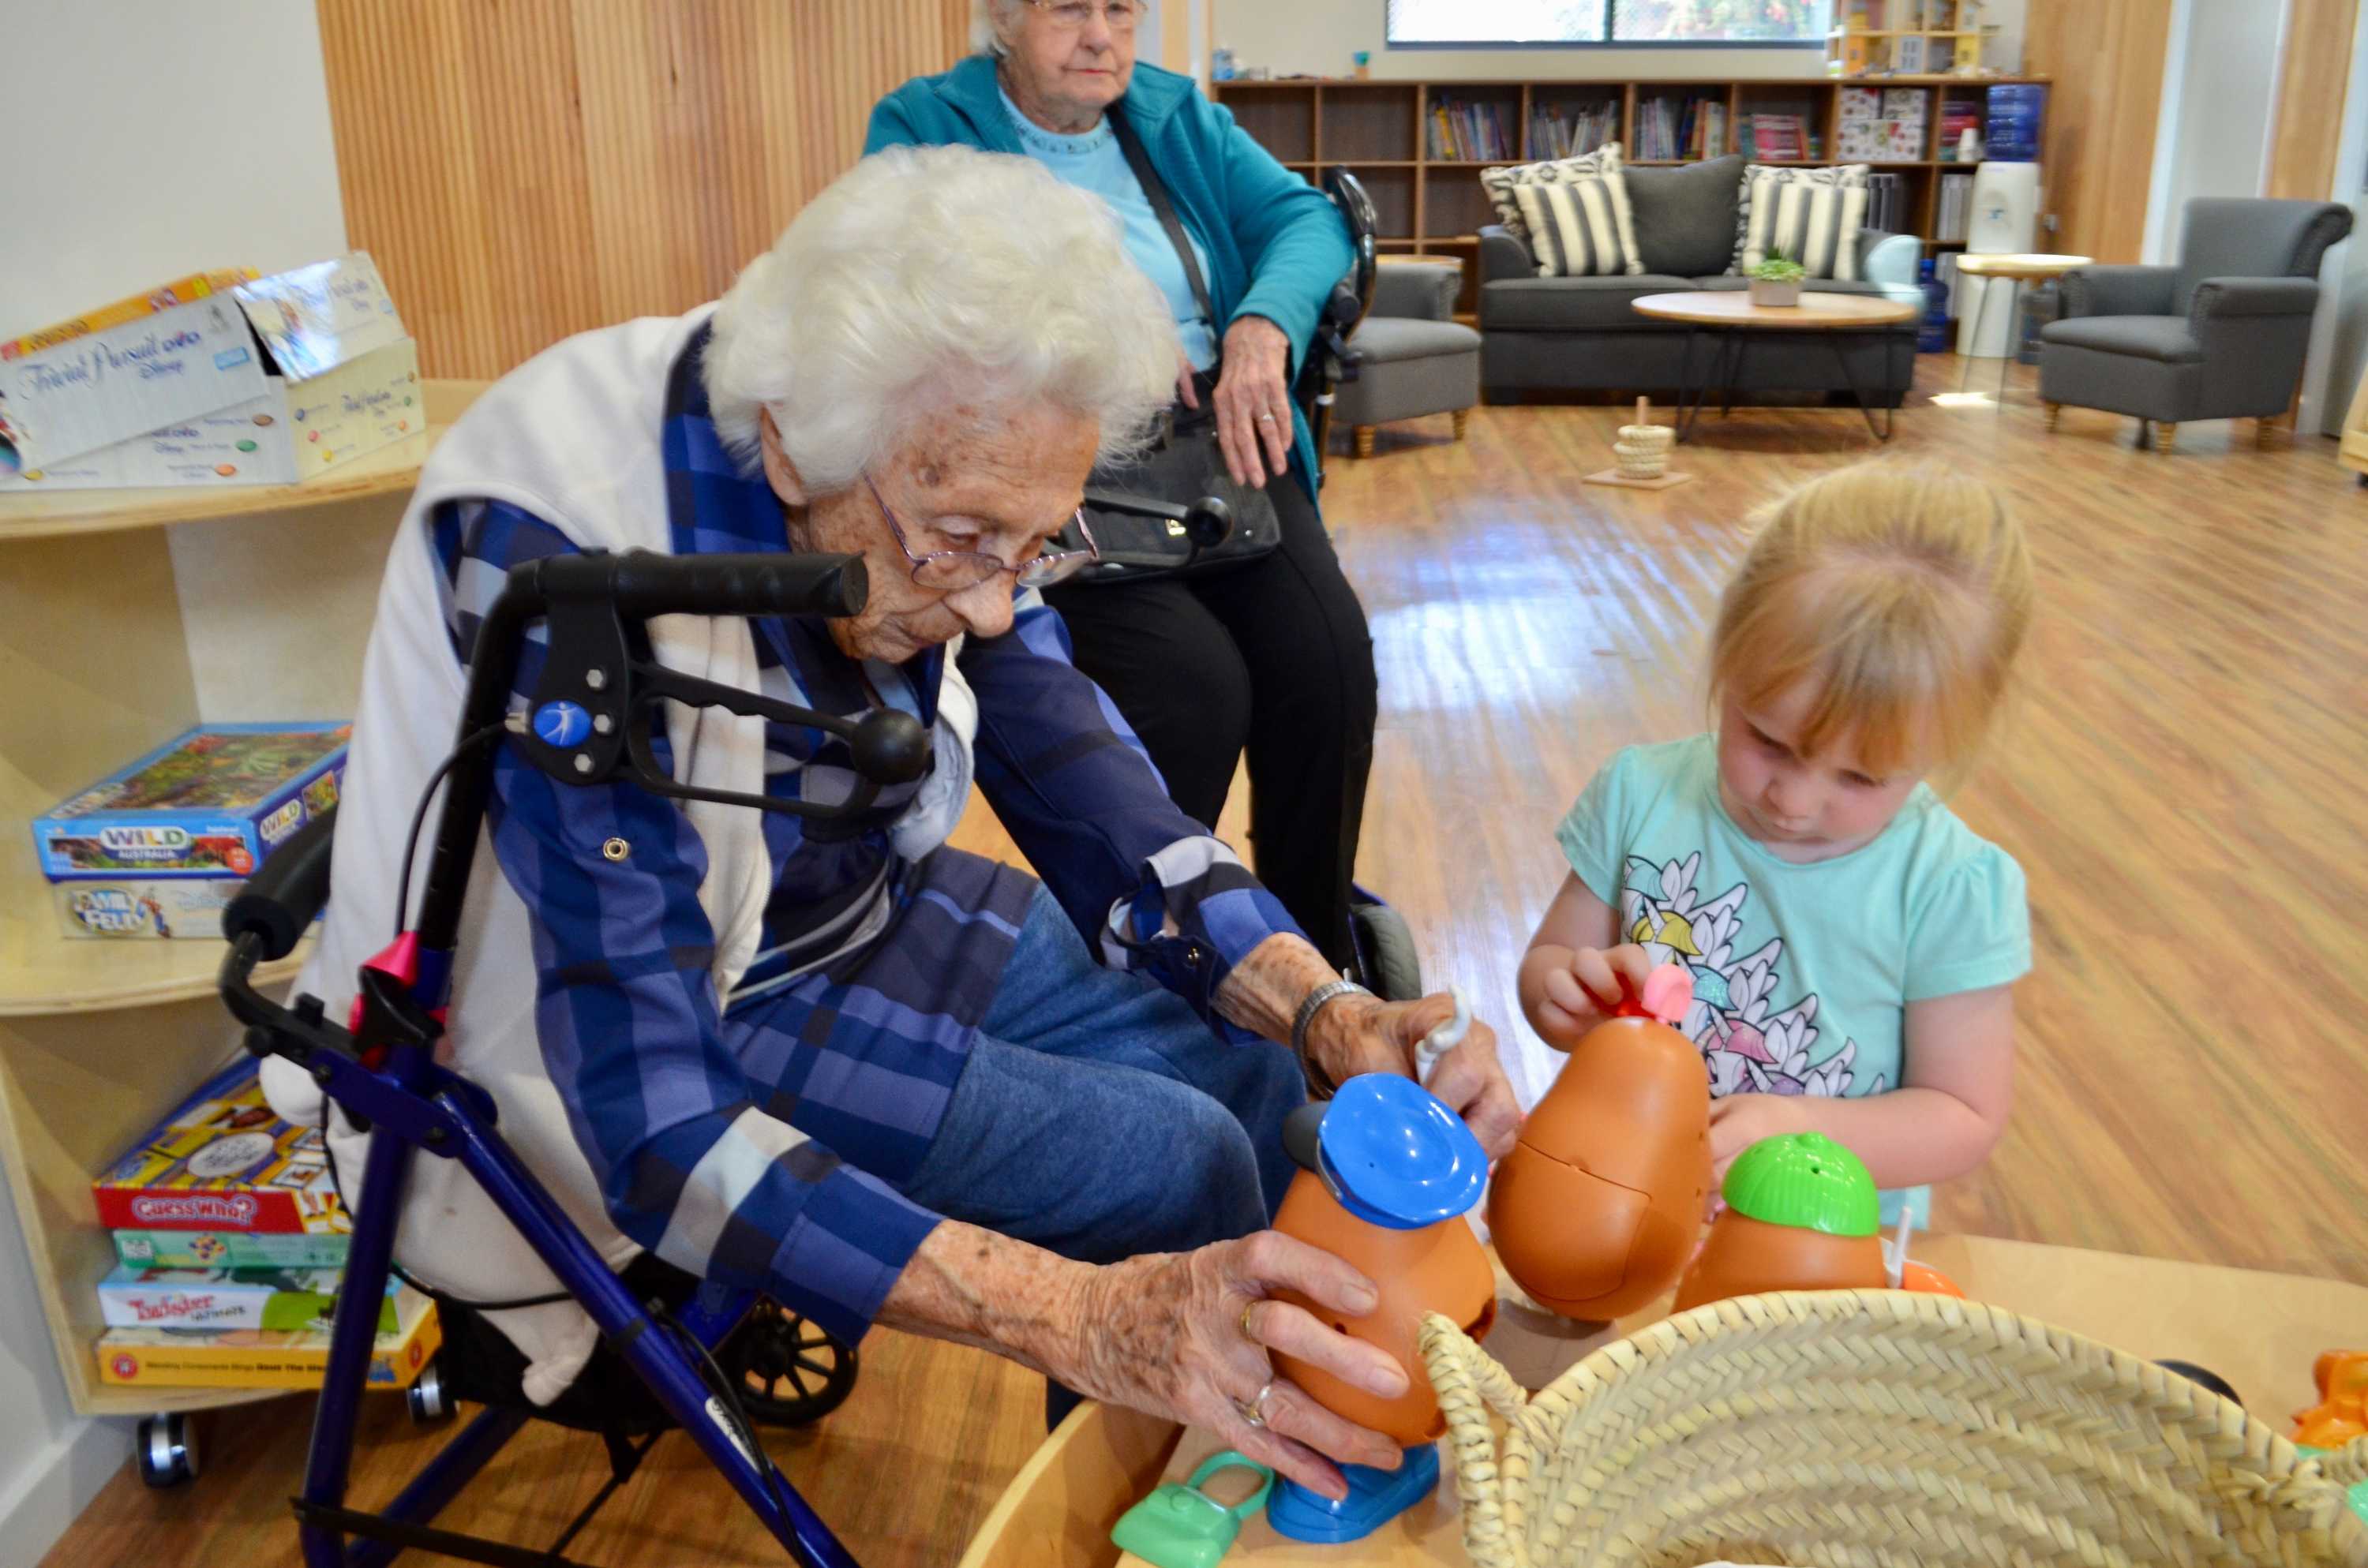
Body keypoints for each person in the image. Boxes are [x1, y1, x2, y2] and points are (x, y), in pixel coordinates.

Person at [282, 145, 1518, 1501]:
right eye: (961, 541)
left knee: (1261, 1068)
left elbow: (1074, 756)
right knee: (1176, 1166)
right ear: (787, 442)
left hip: (842, 902)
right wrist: (1094, 1318)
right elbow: (648, 1108)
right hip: (628, 1008)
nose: (995, 605)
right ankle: (1158, 1511)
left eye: (1034, 546)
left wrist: (1324, 1004)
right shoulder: (560, 541)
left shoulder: (925, 447)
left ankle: (1210, 1463)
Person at [864, 0, 1380, 970]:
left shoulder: (1172, 114)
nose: (1103, 35)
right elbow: (902, 296)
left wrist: (1260, 323)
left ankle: (1315, 956)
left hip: (1216, 443)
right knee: (1194, 690)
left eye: (1122, 10)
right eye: (1071, 9)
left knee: (1329, 666)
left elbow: (1307, 220)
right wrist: (1094, 340)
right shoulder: (924, 126)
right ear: (1005, 22)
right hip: (1062, 472)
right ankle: (1168, 960)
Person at [1519, 465, 2032, 1225]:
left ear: (1944, 748)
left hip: (1826, 1241)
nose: (1792, 800)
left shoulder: (1951, 885)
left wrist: (1802, 1128)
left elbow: (1963, 1112)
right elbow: (1547, 971)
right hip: (1627, 1201)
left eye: (1861, 777)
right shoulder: (1639, 796)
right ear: (1728, 662)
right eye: (1766, 738)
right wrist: (1565, 996)